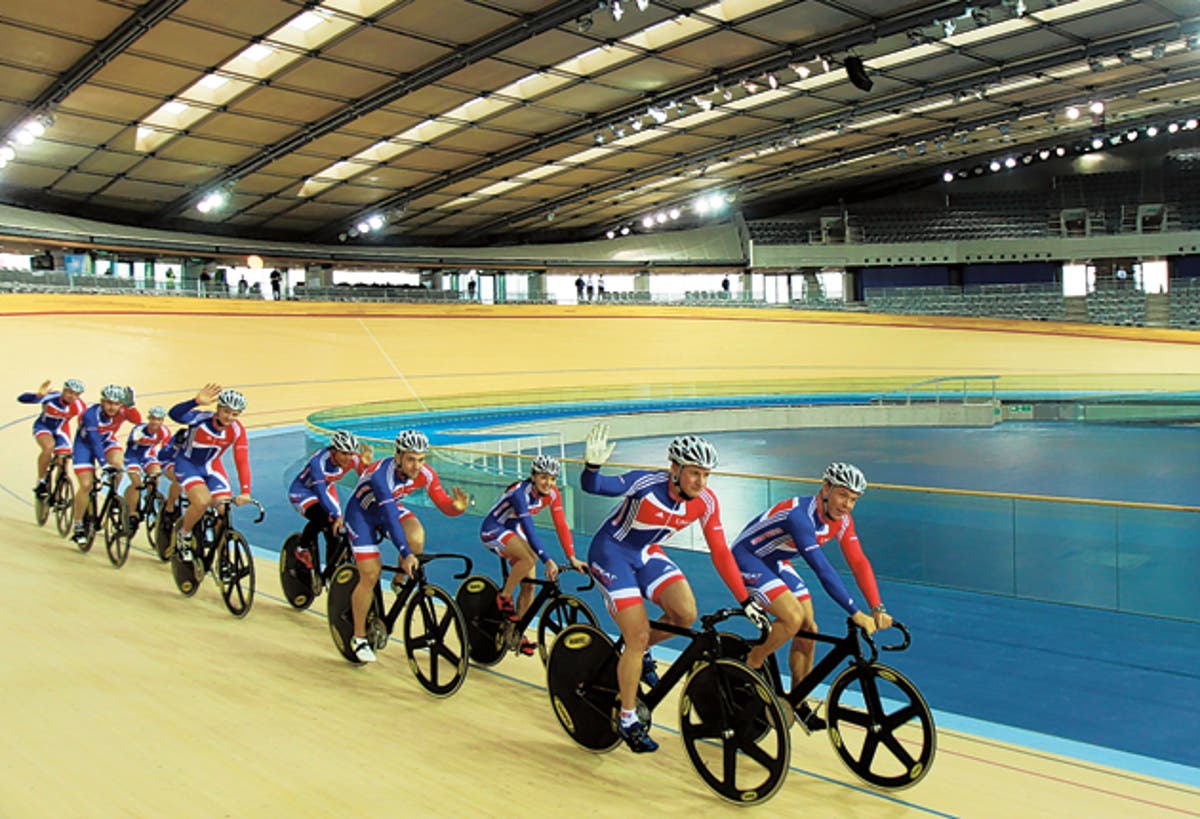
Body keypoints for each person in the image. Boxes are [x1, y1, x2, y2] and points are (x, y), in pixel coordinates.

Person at [580, 423, 769, 753]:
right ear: (675, 469)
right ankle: (627, 717)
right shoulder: (645, 484)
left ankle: (636, 653)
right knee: (637, 635)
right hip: (611, 553)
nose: (701, 482)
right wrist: (592, 466)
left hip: (647, 552)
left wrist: (746, 598)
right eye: (694, 473)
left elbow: (721, 551)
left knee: (685, 614)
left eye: (706, 475)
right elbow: (595, 486)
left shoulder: (706, 501)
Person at [732, 462, 892, 732]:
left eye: (853, 500)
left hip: (776, 559)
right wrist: (855, 612)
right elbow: (822, 569)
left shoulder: (842, 520)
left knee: (809, 627)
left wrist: (876, 606)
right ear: (826, 489)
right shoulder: (800, 516)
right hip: (748, 557)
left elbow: (859, 562)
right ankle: (752, 663)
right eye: (843, 495)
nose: (847, 505)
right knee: (792, 617)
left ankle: (797, 700)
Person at [342, 429, 470, 663]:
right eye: (411, 459)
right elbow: (391, 518)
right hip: (361, 515)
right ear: (398, 456)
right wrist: (406, 554)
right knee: (370, 575)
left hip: (386, 509)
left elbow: (442, 503)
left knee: (417, 535)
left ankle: (399, 582)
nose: (416, 466)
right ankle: (358, 637)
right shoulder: (382, 474)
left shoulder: (426, 474)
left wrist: (456, 508)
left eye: (421, 460)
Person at [479, 455, 587, 655]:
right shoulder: (520, 493)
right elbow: (529, 529)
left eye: (553, 478)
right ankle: (504, 596)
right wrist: (547, 559)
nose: (549, 483)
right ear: (533, 477)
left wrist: (571, 556)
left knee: (529, 586)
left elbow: (561, 525)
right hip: (493, 530)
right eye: (544, 477)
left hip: (513, 530)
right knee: (530, 558)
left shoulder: (553, 494)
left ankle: (515, 633)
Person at [168, 384, 252, 561]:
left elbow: (242, 460)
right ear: (218, 408)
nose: (230, 417)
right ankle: (184, 535)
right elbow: (174, 415)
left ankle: (220, 552)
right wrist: (195, 402)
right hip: (188, 464)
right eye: (226, 411)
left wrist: (245, 491)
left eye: (235, 414)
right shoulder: (200, 419)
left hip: (212, 468)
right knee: (202, 501)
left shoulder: (237, 430)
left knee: (223, 509)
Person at [286, 429, 372, 575]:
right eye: (344, 453)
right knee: (323, 518)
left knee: (334, 534)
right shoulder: (317, 461)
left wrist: (367, 465)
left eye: (350, 453)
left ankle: (330, 573)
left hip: (326, 489)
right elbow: (319, 490)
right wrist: (336, 514)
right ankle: (302, 549)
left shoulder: (354, 459)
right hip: (304, 492)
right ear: (333, 451)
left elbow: (368, 481)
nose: (348, 458)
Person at [70, 384, 141, 545]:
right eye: (109, 403)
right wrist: (103, 465)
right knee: (86, 485)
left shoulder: (122, 411)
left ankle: (113, 498)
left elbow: (137, 421)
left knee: (118, 465)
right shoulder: (90, 414)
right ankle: (78, 525)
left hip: (107, 441)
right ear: (102, 401)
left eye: (116, 404)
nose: (112, 407)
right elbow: (95, 443)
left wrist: (131, 407)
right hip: (85, 445)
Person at [18, 378, 86, 497]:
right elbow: (21, 398)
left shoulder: (79, 405)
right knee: (49, 447)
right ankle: (41, 481)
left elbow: (86, 422)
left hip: (61, 431)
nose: (72, 396)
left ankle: (59, 492)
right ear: (64, 391)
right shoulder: (51, 397)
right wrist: (37, 396)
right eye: (70, 392)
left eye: (76, 394)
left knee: (63, 462)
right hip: (43, 427)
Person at [122, 405, 172, 535]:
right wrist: (139, 439)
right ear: (149, 419)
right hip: (132, 457)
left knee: (156, 476)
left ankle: (151, 497)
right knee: (137, 484)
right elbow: (133, 442)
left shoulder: (164, 431)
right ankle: (132, 513)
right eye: (153, 419)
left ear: (162, 421)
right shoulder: (139, 429)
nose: (156, 422)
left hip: (148, 457)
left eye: (159, 420)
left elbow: (166, 449)